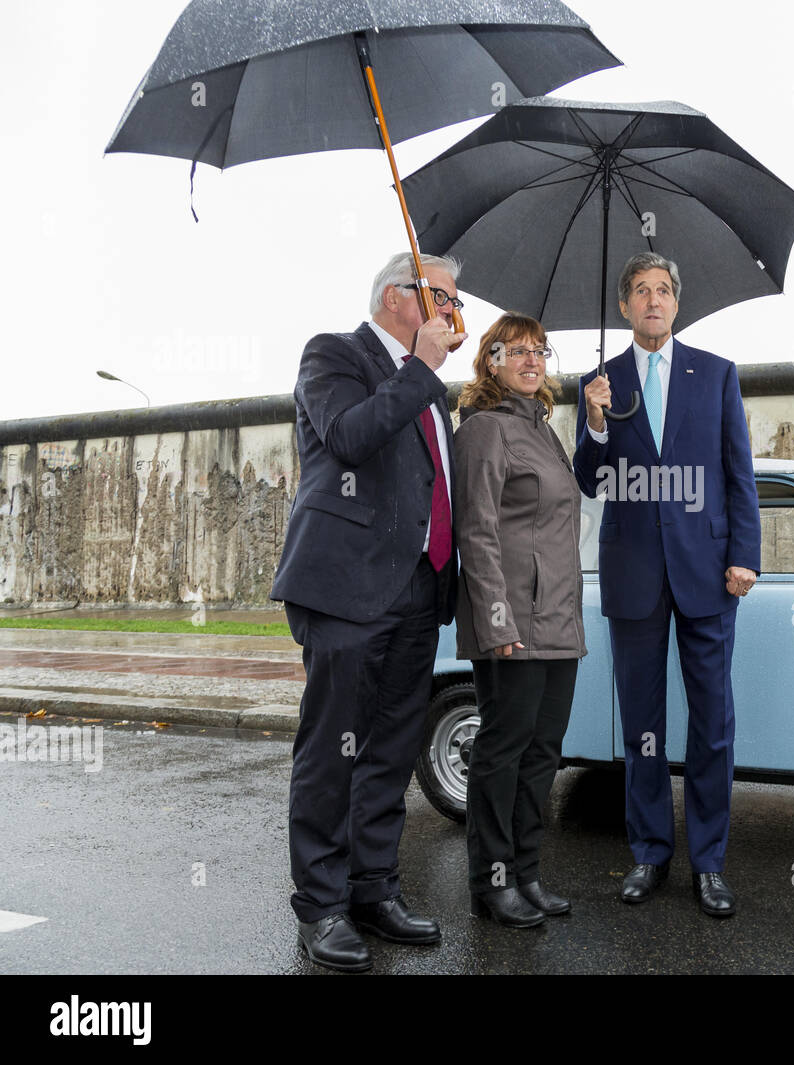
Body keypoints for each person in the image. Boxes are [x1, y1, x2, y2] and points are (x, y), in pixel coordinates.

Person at [270, 252, 466, 972]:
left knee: (388, 749)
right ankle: (320, 905)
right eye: (444, 297)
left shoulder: (431, 386)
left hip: (419, 588)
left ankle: (372, 886)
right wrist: (419, 368)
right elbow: (350, 437)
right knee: (332, 747)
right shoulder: (334, 354)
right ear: (397, 297)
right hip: (346, 586)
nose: (454, 312)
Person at [573, 252, 761, 918]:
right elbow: (589, 482)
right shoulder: (601, 383)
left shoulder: (714, 374)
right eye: (640, 291)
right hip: (633, 576)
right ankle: (650, 851)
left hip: (709, 573)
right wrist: (595, 423)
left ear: (676, 304)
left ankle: (709, 861)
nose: (652, 300)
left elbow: (740, 474)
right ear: (623, 305)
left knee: (712, 724)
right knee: (643, 728)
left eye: (662, 291)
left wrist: (746, 554)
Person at [453, 313, 586, 927]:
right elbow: (475, 531)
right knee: (502, 752)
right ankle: (492, 882)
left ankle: (527, 874)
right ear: (493, 361)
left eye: (540, 351)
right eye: (517, 352)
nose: (532, 361)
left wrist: (603, 420)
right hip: (512, 620)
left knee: (544, 753)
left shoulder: (546, 431)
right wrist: (497, 619)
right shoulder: (484, 429)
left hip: (558, 619)